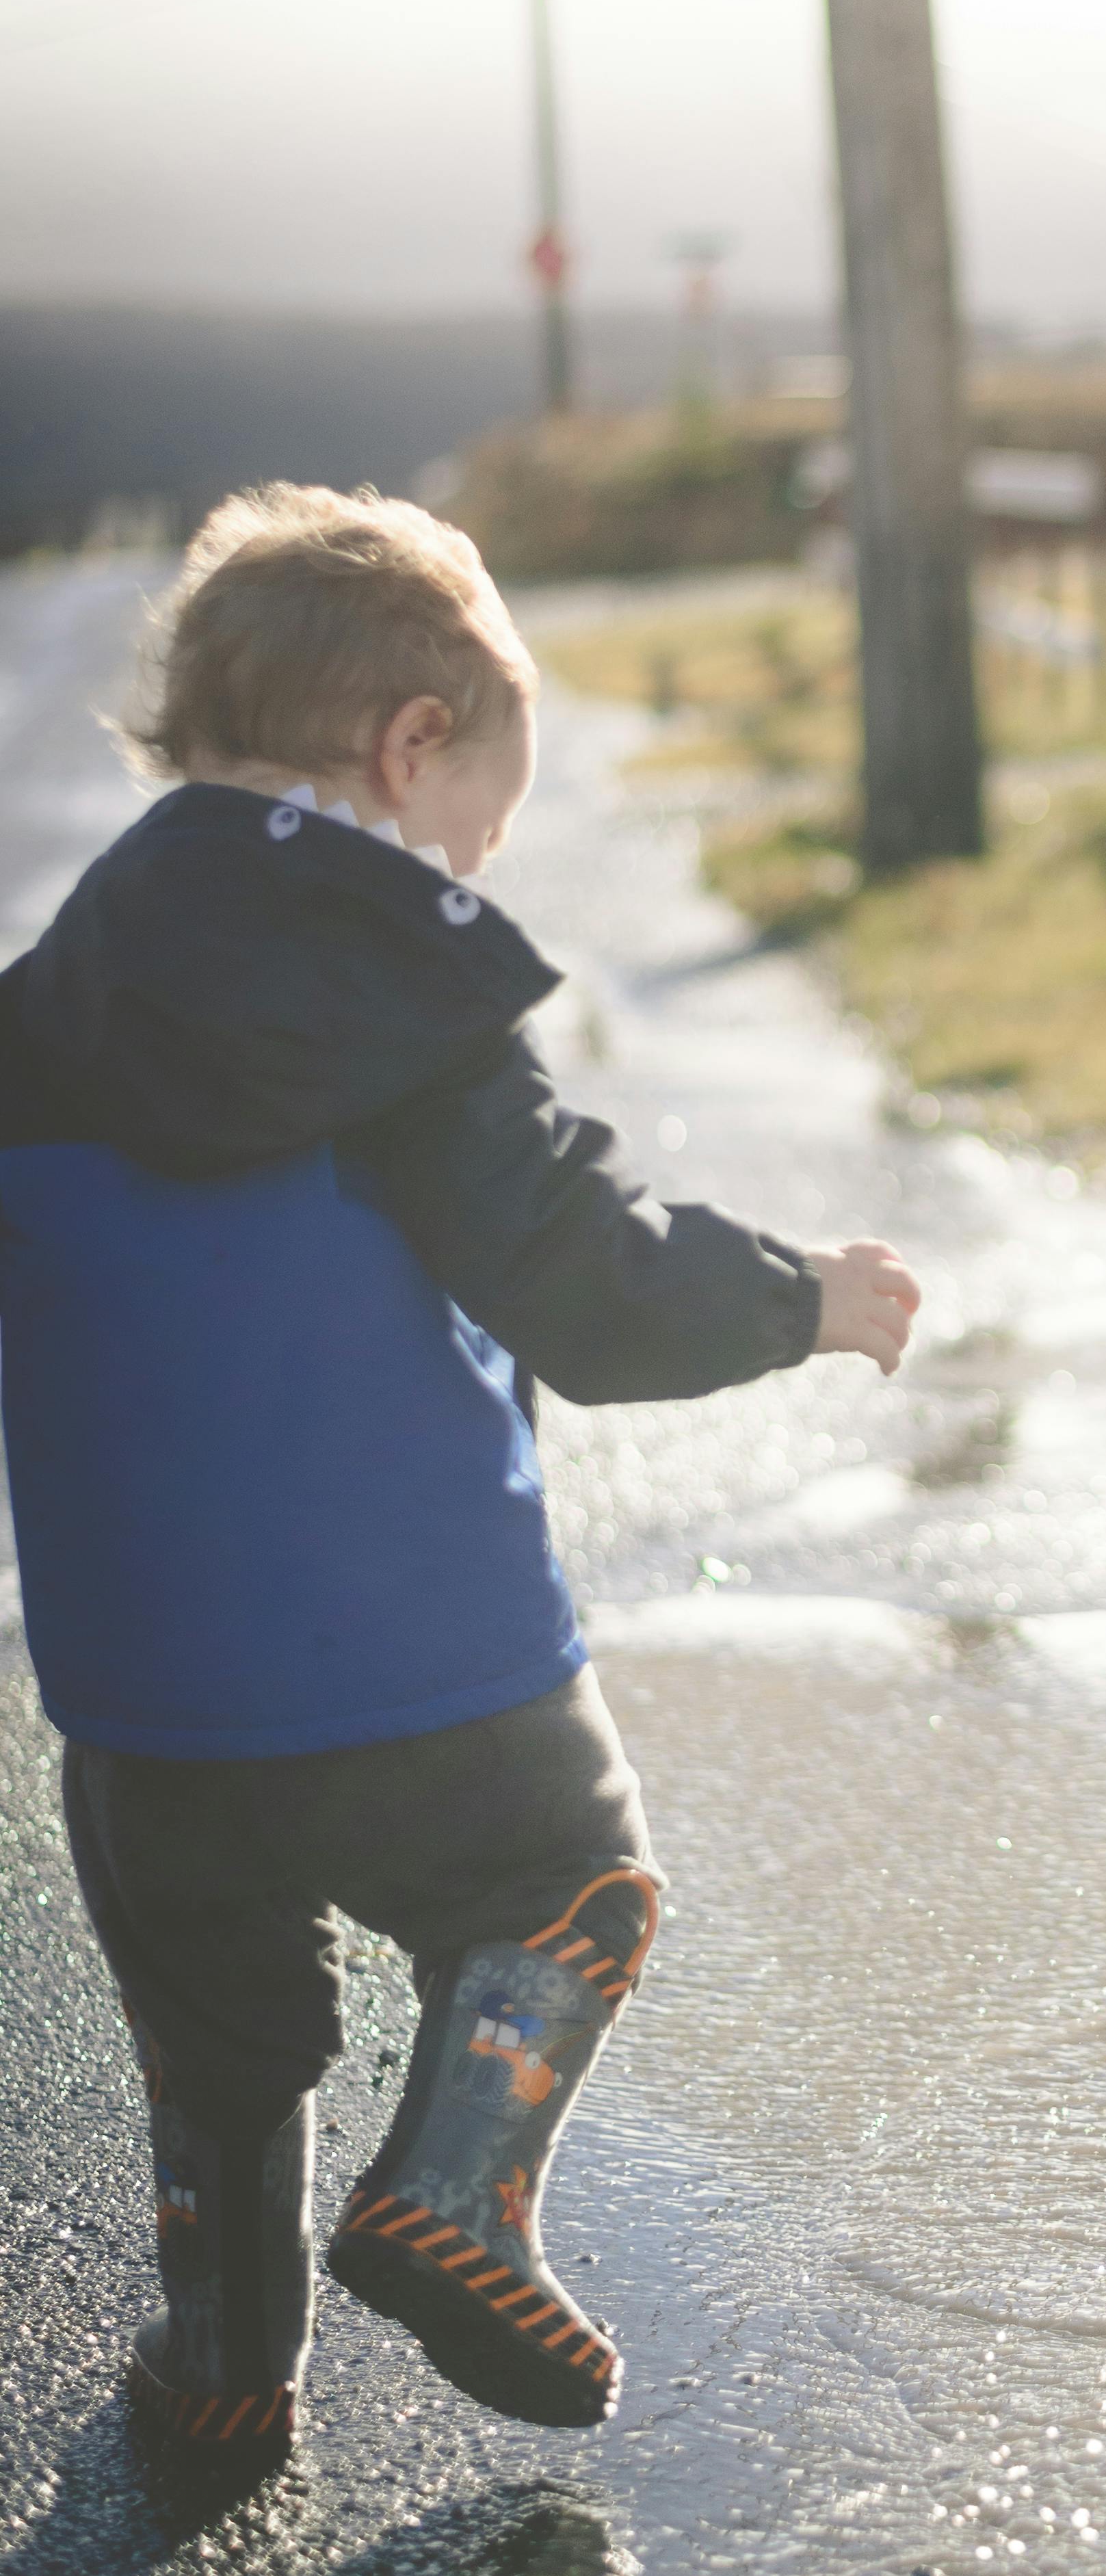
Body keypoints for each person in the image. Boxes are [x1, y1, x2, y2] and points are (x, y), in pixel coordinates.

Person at [0, 485, 921, 2462]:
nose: (472, 867)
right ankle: (457, 2188)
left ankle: (224, 2371)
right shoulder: (394, 997)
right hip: (421, 1653)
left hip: (136, 1703)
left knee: (220, 2051)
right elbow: (582, 1286)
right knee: (567, 1879)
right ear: (410, 750)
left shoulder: (39, 1012)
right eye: (479, 827)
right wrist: (806, 1298)